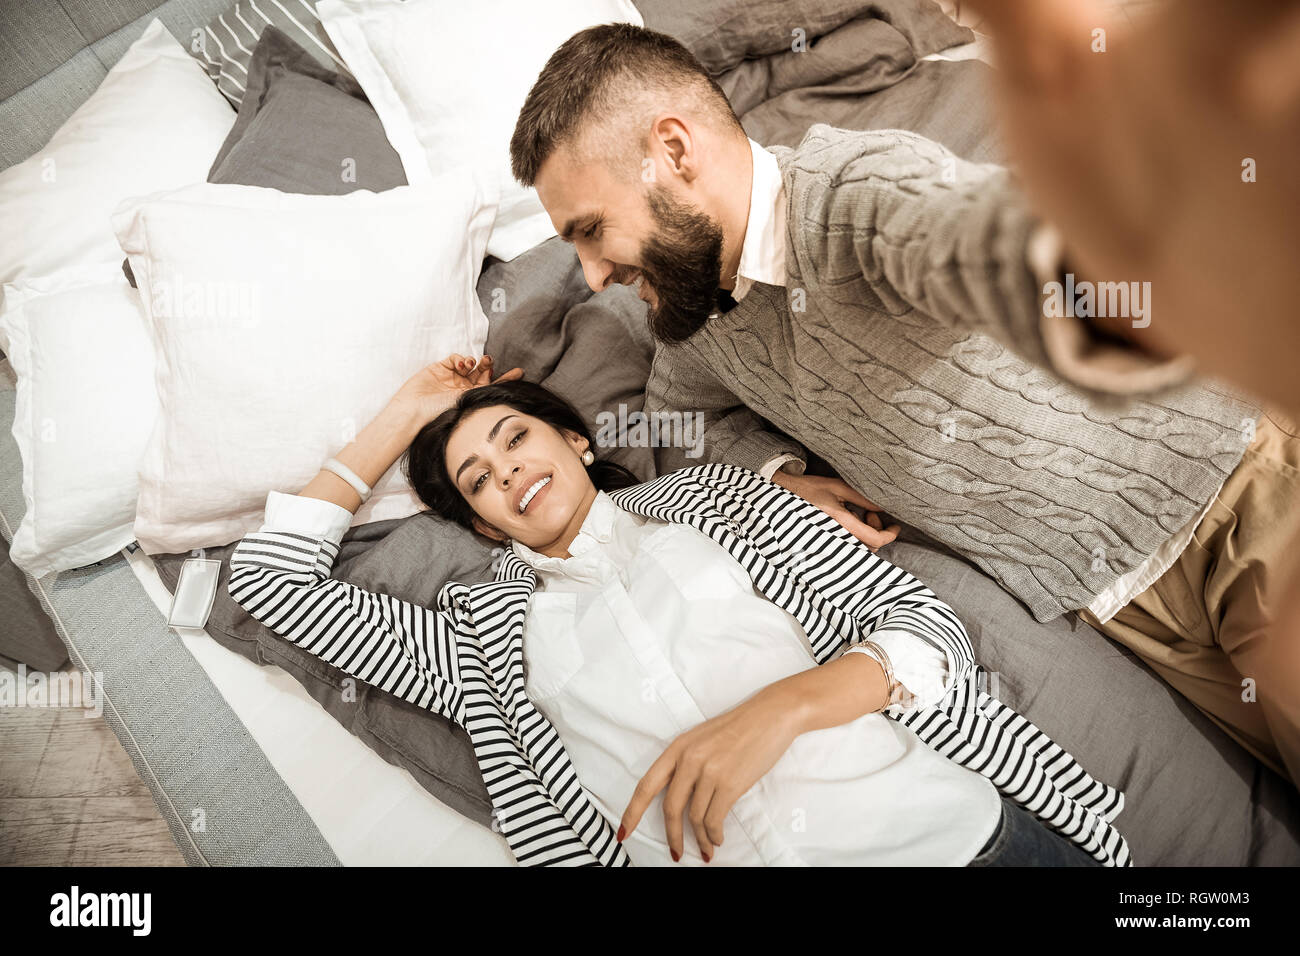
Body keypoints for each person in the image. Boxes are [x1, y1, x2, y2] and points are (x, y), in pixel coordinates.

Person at [507, 23, 1300, 787]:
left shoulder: (860, 198)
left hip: (1228, 506)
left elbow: (983, 239)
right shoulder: (695, 319)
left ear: (673, 153)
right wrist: (778, 472)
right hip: (1120, 602)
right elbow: (681, 422)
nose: (592, 274)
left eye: (591, 230)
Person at [226, 353, 1122, 866]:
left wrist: (783, 710)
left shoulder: (714, 502)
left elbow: (924, 630)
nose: (508, 473)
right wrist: (405, 412)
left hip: (956, 846)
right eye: (477, 481)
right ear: (476, 522)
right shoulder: (477, 642)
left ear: (573, 438)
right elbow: (270, 585)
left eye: (517, 438)